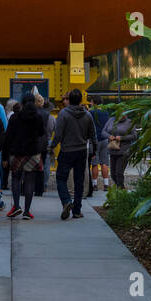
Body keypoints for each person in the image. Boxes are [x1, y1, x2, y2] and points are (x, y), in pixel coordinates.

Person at [51, 88, 95, 219]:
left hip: (67, 150)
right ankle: (77, 210)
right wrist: (95, 150)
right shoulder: (87, 115)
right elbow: (93, 135)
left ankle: (66, 201)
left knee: (60, 178)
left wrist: (52, 146)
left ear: (69, 100)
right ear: (81, 99)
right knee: (79, 180)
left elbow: (58, 134)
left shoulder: (63, 114)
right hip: (82, 150)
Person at [3, 90, 45, 218]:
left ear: (22, 102)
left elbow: (8, 137)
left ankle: (16, 206)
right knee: (30, 181)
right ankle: (27, 211)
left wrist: (5, 156)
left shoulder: (15, 117)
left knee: (16, 179)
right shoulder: (38, 117)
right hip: (33, 153)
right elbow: (41, 133)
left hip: (17, 153)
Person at [108, 110, 138, 189]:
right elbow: (104, 131)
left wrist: (122, 138)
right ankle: (120, 189)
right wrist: (109, 136)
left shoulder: (129, 122)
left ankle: (121, 190)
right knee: (113, 174)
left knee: (118, 173)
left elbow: (134, 136)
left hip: (124, 151)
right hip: (113, 150)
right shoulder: (112, 121)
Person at [89, 104, 113, 193]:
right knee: (104, 163)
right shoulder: (106, 113)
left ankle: (94, 185)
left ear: (93, 102)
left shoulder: (91, 113)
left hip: (94, 140)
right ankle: (106, 184)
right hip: (104, 139)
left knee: (94, 163)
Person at [39, 99, 56, 192]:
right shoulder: (52, 118)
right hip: (48, 141)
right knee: (46, 165)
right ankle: (44, 185)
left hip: (38, 141)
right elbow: (56, 131)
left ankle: (36, 184)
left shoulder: (38, 116)